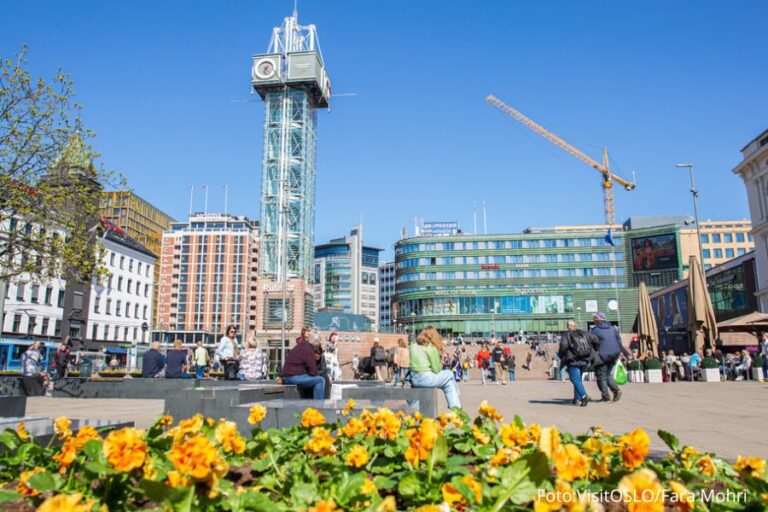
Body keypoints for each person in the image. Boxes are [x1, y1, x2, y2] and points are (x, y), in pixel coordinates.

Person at [409, 327, 461, 409]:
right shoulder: (431, 347)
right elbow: (437, 369)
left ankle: (413, 412)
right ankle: (456, 408)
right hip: (426, 379)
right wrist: (440, 361)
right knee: (449, 373)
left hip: (414, 378)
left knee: (448, 384)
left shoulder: (413, 344)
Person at [590, 312, 630, 402]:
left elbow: (592, 343)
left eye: (594, 318)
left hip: (602, 356)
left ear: (598, 319)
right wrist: (619, 352)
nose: (593, 320)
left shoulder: (595, 330)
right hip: (614, 354)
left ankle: (606, 396)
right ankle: (616, 391)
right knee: (607, 374)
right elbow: (619, 342)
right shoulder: (613, 329)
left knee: (601, 376)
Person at [559, 320, 599, 407]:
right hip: (585, 359)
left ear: (568, 326)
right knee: (578, 380)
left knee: (575, 379)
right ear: (576, 325)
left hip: (573, 360)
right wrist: (594, 350)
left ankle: (584, 396)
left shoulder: (567, 334)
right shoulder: (585, 333)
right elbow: (596, 339)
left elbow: (563, 345)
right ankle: (577, 399)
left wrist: (561, 355)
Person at [280, 327, 325, 399]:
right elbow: (313, 372)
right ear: (316, 344)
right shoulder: (309, 351)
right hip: (292, 378)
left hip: (286, 376)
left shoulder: (301, 345)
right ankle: (318, 406)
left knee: (313, 379)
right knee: (320, 380)